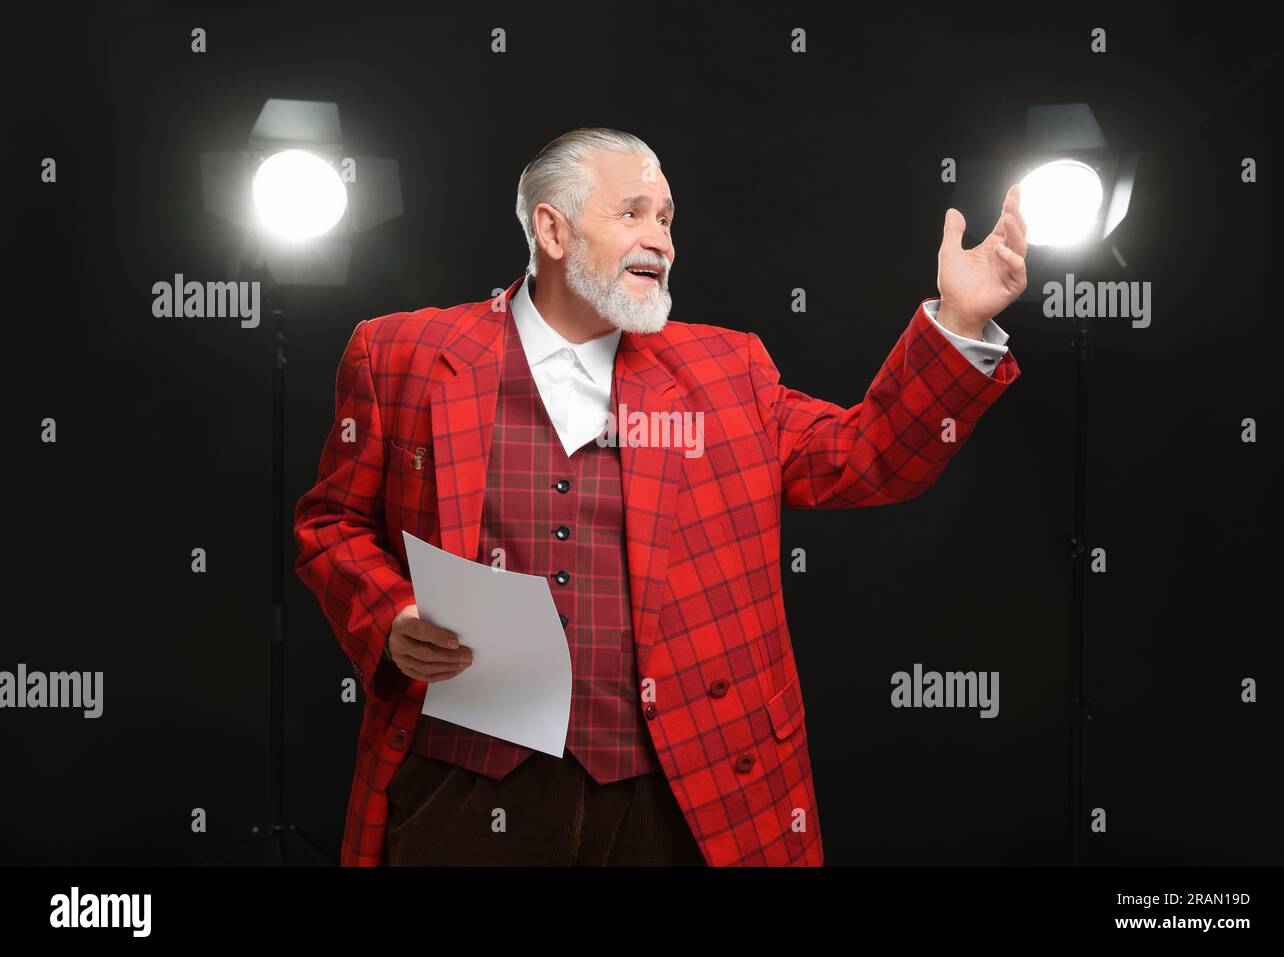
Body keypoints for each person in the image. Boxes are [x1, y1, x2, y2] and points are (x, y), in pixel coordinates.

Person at [293, 127, 1024, 867]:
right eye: (633, 213)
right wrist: (392, 616)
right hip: (464, 786)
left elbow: (868, 456)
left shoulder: (727, 369)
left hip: (682, 789)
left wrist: (959, 324)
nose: (661, 240)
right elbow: (332, 523)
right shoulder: (401, 355)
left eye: (667, 219)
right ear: (553, 228)